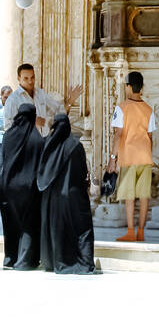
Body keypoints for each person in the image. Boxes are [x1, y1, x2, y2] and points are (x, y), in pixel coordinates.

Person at [37, 113, 98, 274]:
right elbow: (82, 171)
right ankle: (82, 262)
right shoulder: (75, 145)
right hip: (74, 195)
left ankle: (55, 261)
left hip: (53, 197)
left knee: (57, 229)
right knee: (81, 228)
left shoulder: (48, 144)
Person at [111, 70, 156, 243]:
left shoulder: (121, 108)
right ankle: (141, 232)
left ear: (129, 87)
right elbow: (151, 137)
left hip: (128, 156)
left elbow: (118, 135)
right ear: (141, 87)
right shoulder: (149, 109)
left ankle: (130, 232)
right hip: (145, 156)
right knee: (144, 196)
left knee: (129, 196)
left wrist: (112, 158)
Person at [0, 103, 43, 270]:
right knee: (29, 225)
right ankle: (25, 260)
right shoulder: (37, 138)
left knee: (10, 224)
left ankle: (9, 259)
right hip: (29, 188)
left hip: (8, 187)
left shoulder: (8, 135)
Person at [2, 63, 82, 135]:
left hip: (43, 144)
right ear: (18, 79)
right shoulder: (13, 100)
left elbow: (59, 112)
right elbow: (9, 128)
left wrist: (70, 101)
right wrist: (30, 124)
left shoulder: (41, 94)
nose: (30, 81)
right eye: (26, 78)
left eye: (32, 77)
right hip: (25, 147)